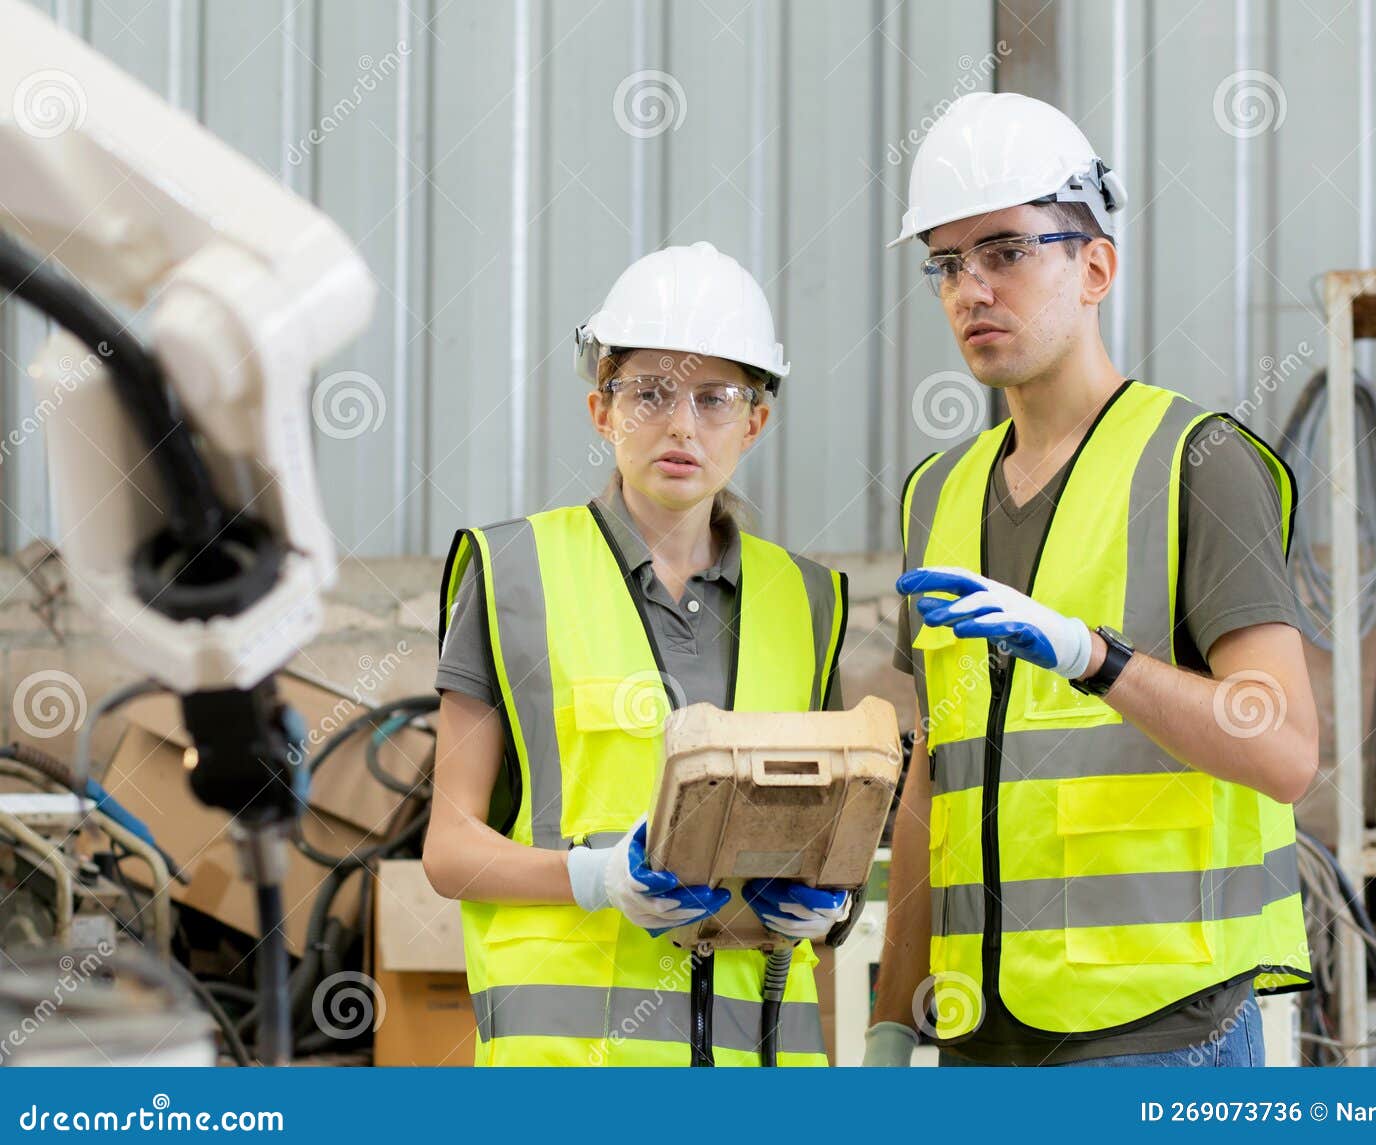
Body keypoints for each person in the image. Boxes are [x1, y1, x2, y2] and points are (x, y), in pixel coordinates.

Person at [865, 93, 1316, 1068]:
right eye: (945, 262)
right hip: (979, 1036)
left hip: (1164, 1035)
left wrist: (1093, 656)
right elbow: (927, 794)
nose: (970, 289)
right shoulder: (936, 497)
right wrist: (891, 1021)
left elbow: (1281, 748)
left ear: (1095, 263)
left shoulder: (1199, 463)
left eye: (1006, 250)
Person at [424, 242, 852, 1066]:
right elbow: (448, 848)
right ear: (601, 411)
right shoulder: (513, 574)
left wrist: (830, 907)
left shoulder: (809, 601)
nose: (681, 424)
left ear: (755, 422)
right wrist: (596, 877)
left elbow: (830, 837)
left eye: (715, 397)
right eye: (649, 392)